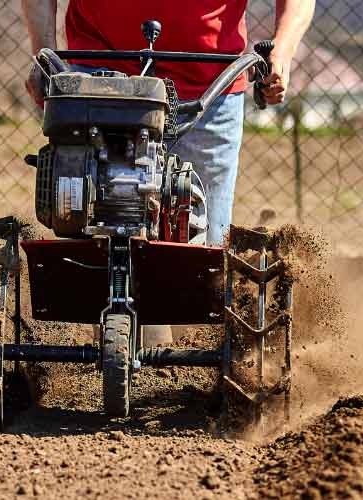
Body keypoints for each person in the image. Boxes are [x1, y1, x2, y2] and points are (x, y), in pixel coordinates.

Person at [21, 0, 314, 347]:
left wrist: (280, 52)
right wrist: (43, 52)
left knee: (203, 259)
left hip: (210, 81)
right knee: (90, 221)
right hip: (100, 76)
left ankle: (188, 367)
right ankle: (122, 348)